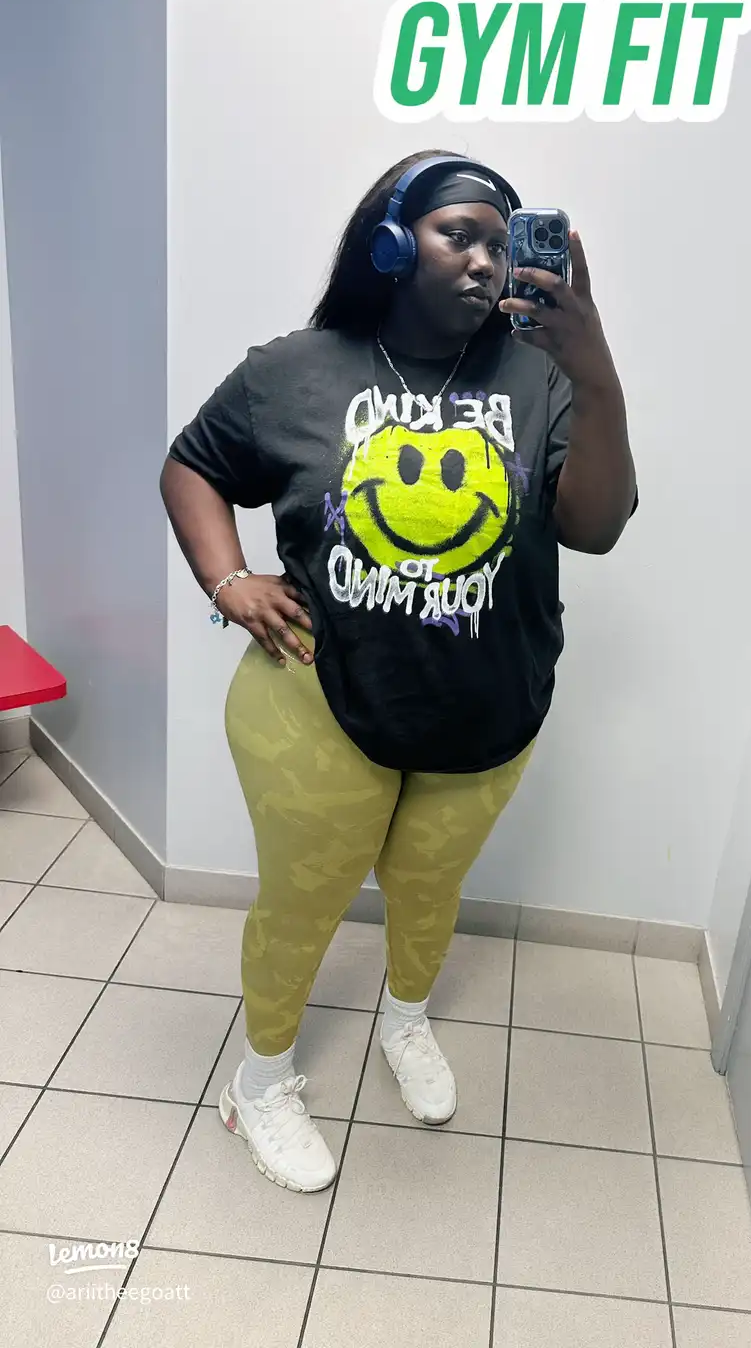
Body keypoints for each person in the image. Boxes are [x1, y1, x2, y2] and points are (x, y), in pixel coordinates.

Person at [161, 150, 637, 1193]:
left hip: (488, 701)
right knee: (304, 899)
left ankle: (406, 1022)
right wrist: (227, 576)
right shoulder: (296, 369)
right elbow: (193, 462)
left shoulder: (542, 373)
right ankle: (261, 1080)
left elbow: (596, 526)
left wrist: (592, 361)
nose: (483, 260)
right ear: (390, 241)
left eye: (501, 243)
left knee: (430, 889)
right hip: (315, 699)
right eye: (457, 234)